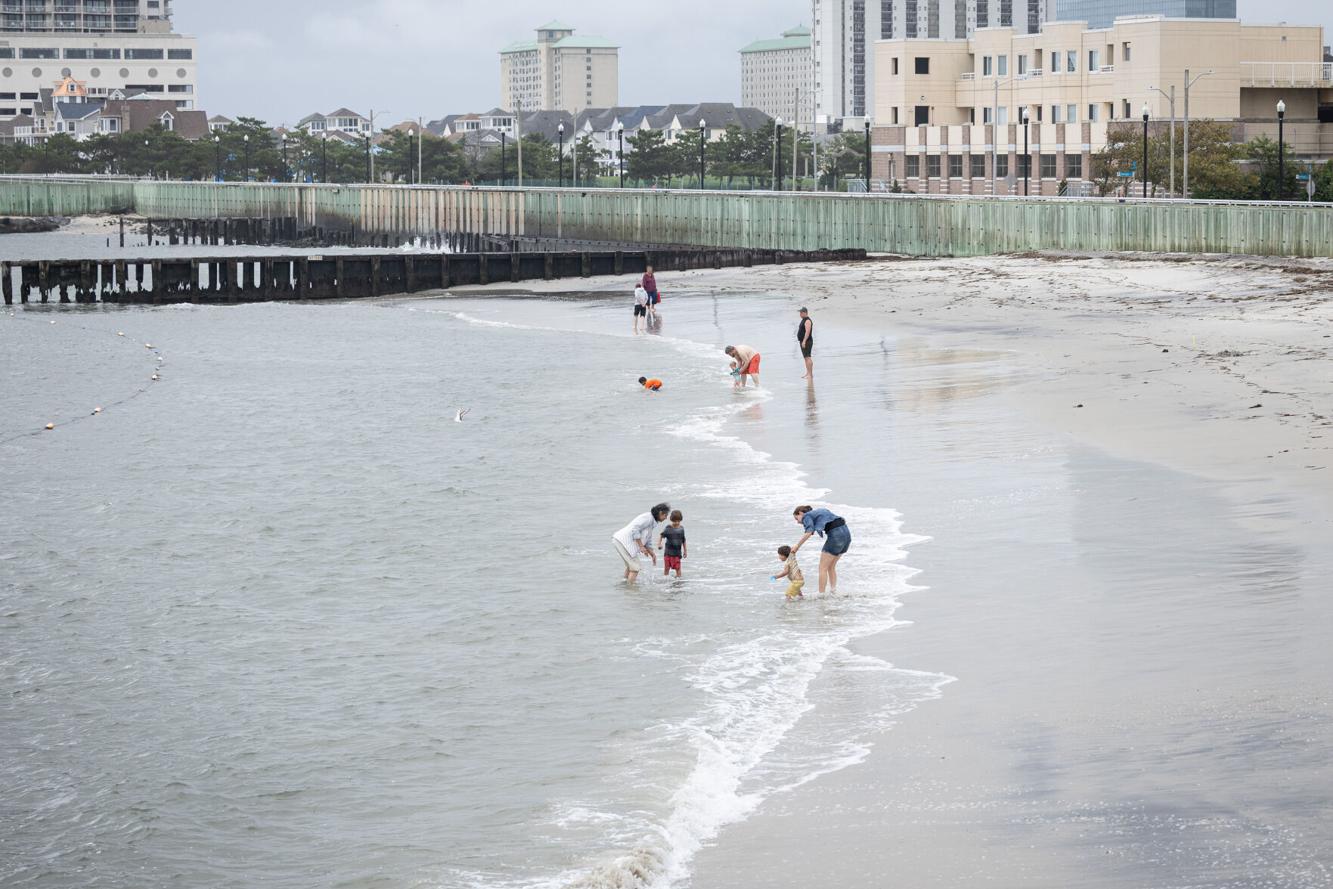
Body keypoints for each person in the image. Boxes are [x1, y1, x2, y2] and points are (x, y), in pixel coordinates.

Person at [790, 505, 851, 595]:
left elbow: (809, 532)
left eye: (796, 519)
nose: (798, 522)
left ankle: (821, 595)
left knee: (822, 568)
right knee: (831, 567)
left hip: (836, 536)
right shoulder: (821, 510)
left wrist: (797, 546)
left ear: (800, 513)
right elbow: (840, 519)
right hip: (846, 535)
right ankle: (833, 591)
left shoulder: (806, 516)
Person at [613, 503, 670, 583]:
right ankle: (631, 589)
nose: (666, 518)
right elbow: (635, 529)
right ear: (660, 513)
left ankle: (625, 586)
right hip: (622, 542)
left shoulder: (652, 521)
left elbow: (647, 538)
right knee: (635, 567)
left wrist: (652, 553)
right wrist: (641, 547)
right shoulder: (647, 518)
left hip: (622, 543)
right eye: (665, 515)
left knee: (631, 567)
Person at [660, 509, 687, 577]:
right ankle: (665, 582)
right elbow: (661, 535)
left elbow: (683, 540)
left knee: (678, 569)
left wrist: (685, 551)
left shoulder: (681, 529)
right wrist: (659, 544)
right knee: (666, 569)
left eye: (678, 521)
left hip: (677, 554)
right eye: (675, 521)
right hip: (668, 553)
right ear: (671, 520)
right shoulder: (668, 528)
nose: (677, 522)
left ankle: (678, 583)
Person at [797, 307, 814, 380]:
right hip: (803, 341)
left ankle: (810, 374)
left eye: (801, 313)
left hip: (807, 341)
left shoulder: (807, 321)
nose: (800, 314)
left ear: (805, 313)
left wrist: (804, 341)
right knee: (805, 358)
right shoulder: (803, 320)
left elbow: (807, 332)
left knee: (808, 357)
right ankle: (807, 373)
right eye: (800, 313)